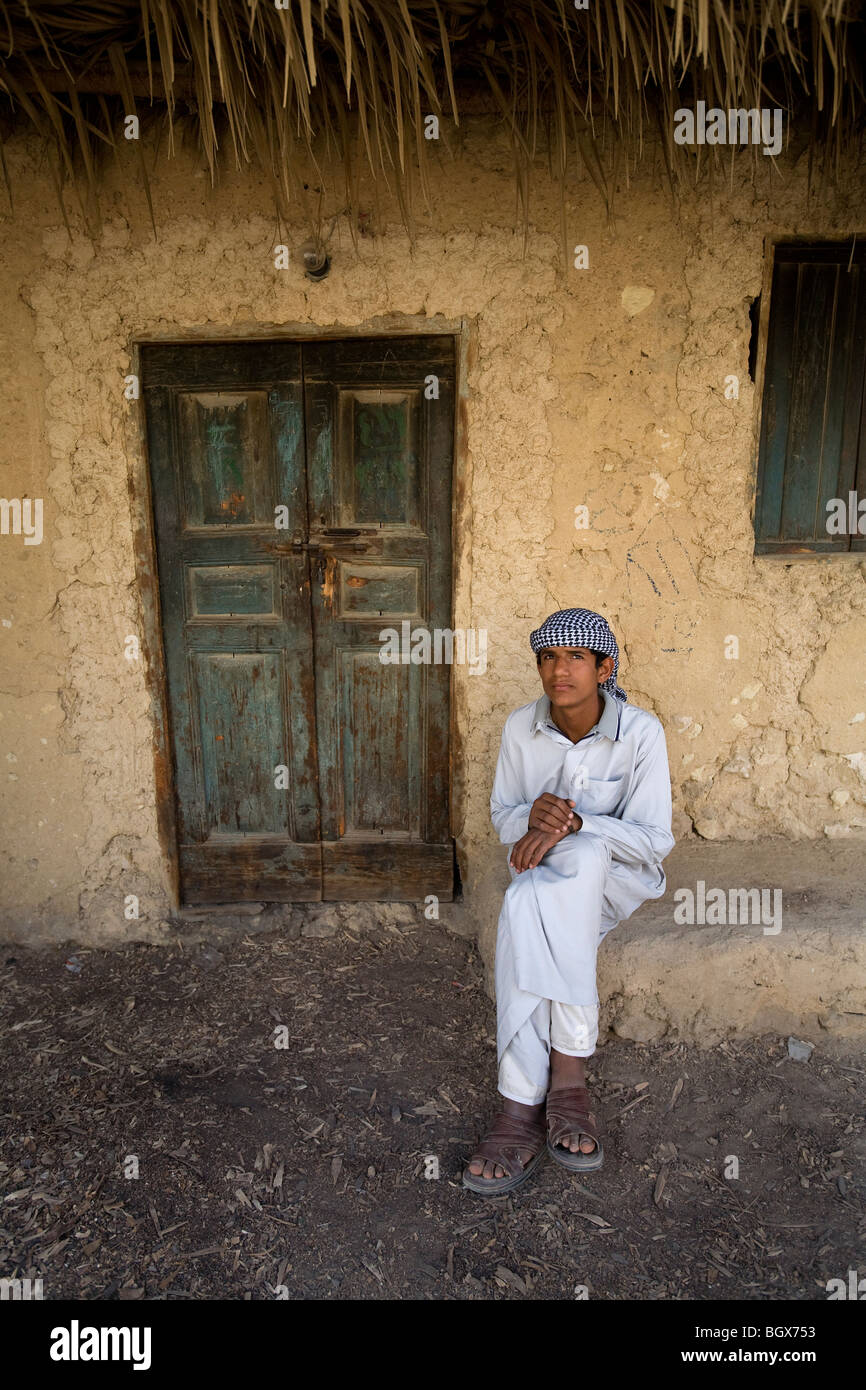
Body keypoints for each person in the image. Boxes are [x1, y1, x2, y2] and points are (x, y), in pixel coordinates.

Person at [463, 607, 675, 1194]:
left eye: (576, 657)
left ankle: (516, 1111)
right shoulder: (518, 728)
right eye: (549, 657)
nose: (561, 670)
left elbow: (656, 841)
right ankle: (567, 1084)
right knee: (526, 904)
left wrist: (579, 824)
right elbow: (503, 817)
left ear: (605, 667)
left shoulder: (641, 734)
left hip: (617, 878)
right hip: (542, 872)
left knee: (553, 881)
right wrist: (531, 817)